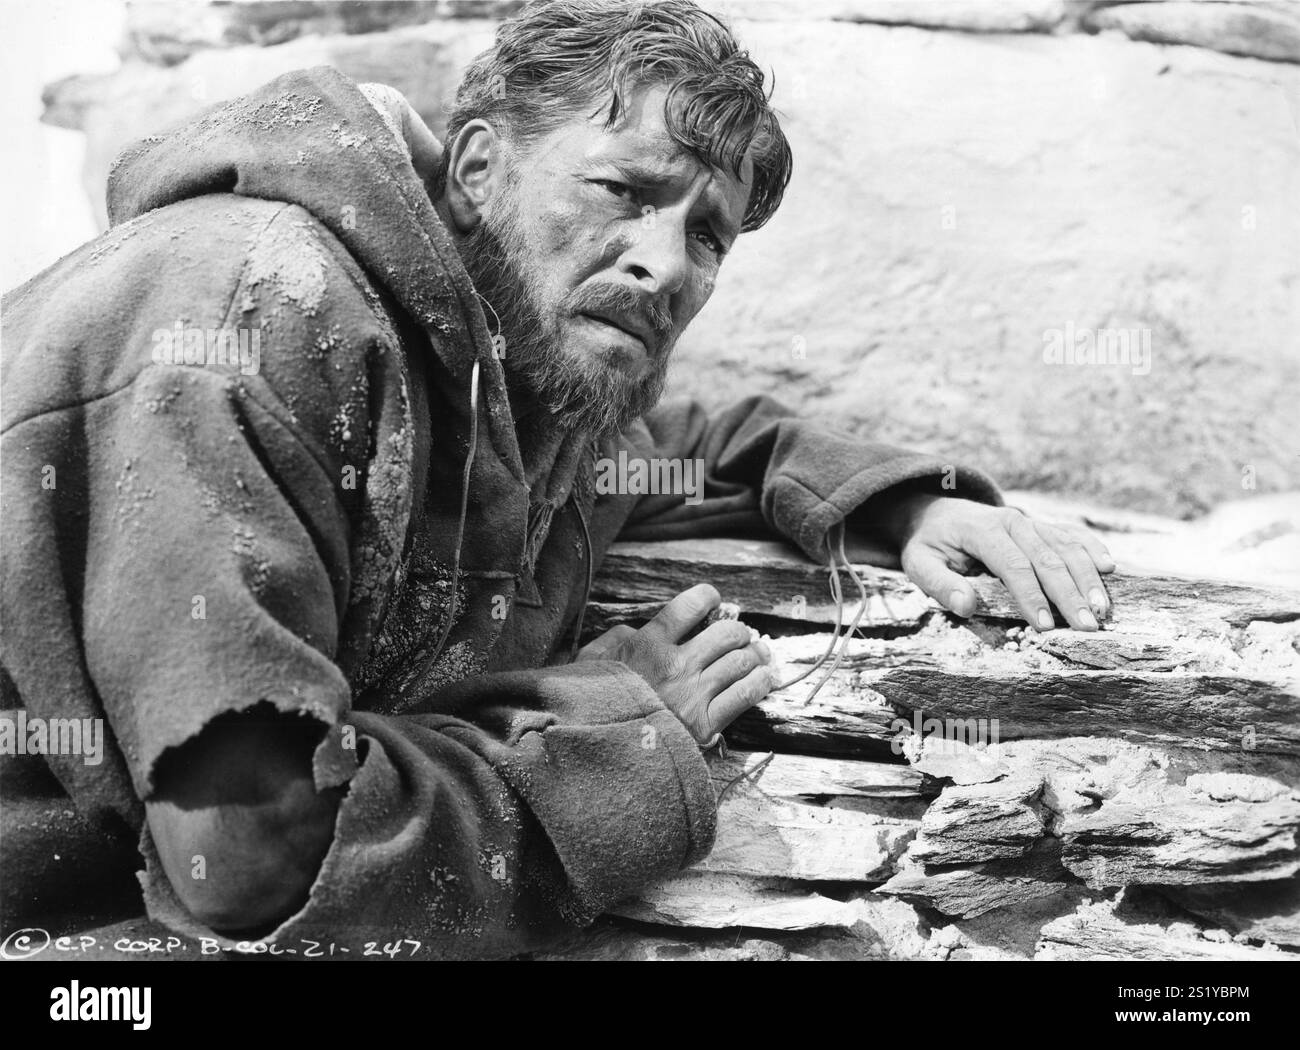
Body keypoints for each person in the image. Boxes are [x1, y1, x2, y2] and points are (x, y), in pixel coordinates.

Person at [0, 0, 1113, 957]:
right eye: (628, 191)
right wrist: (612, 740)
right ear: (478, 167)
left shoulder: (518, 377)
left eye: (711, 235)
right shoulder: (253, 317)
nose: (666, 265)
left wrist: (894, 498)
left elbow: (699, 439)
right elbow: (247, 855)